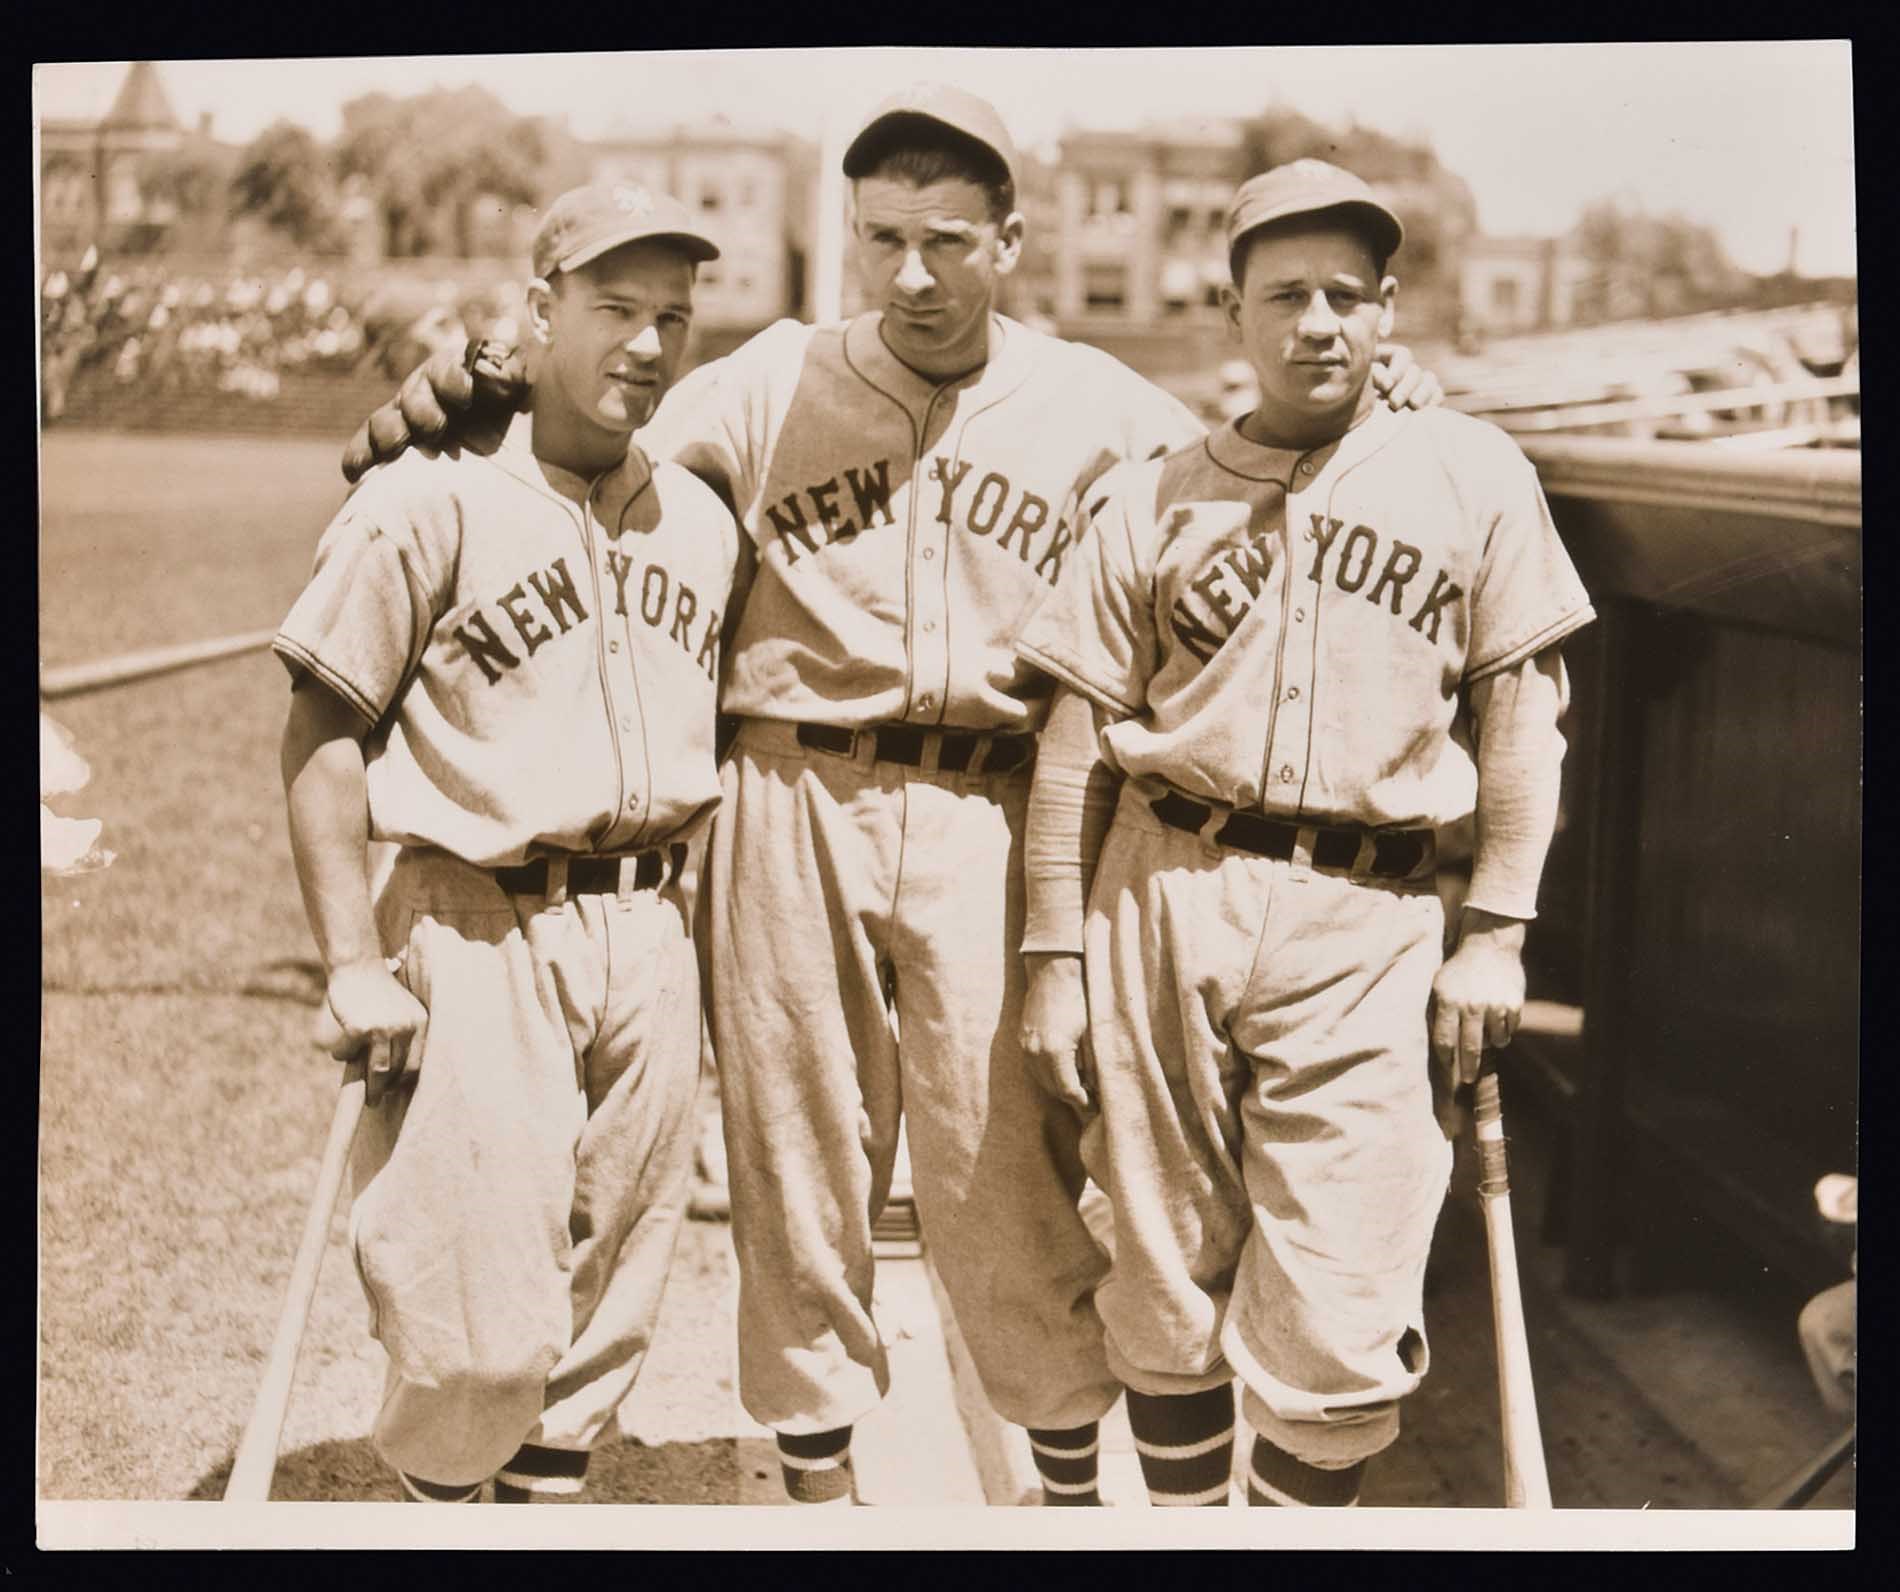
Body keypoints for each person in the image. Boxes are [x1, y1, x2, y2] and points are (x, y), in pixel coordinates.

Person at [336, 85, 1442, 1508]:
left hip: (994, 805)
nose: (912, 275)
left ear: (1012, 241)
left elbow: (1268, 464)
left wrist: (1396, 402)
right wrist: (464, 385)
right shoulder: (765, 379)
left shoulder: (1103, 403)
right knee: (800, 1163)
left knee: (1013, 1175)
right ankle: (816, 1488)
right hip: (791, 784)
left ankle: (1057, 1478)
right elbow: (562, 458)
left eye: (948, 241)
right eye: (882, 240)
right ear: (852, 238)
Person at [1013, 159, 1595, 1506]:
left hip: (1368, 909)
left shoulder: (1472, 471)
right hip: (1161, 885)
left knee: (1339, 1305)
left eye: (1347, 294)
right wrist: (1053, 953)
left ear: (1391, 311)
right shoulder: (1150, 496)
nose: (1317, 322)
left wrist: (1498, 931)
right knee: (1159, 1270)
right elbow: (1070, 747)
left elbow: (1522, 722)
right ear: (1233, 315)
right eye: (1285, 295)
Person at [275, 183, 739, 1503]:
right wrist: (349, 960)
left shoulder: (702, 522)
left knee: (604, 1324)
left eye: (672, 317)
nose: (647, 344)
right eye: (612, 309)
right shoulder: (428, 498)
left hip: (650, 932)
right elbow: (320, 732)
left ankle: (528, 1531)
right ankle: (448, 1508)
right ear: (537, 311)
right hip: (475, 922)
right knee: (471, 1338)